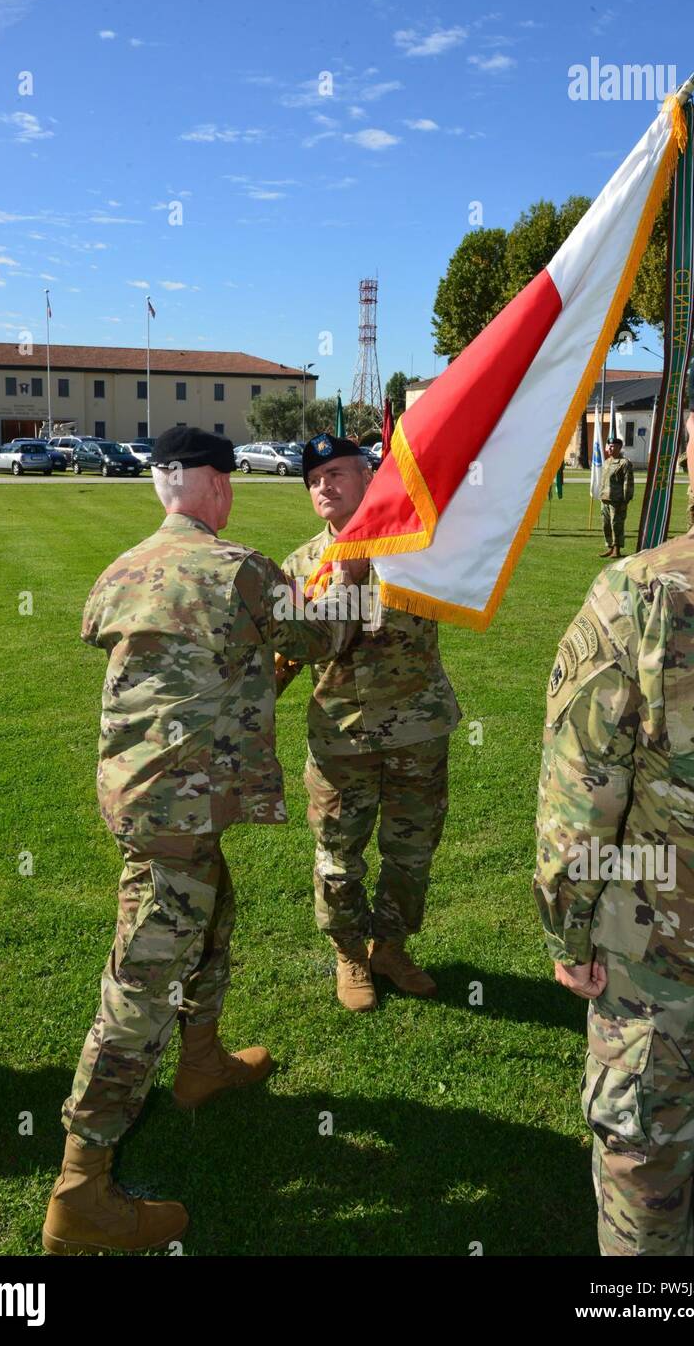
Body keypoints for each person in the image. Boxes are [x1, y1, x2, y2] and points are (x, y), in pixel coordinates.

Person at [42, 427, 365, 1255]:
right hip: (174, 814)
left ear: (162, 488)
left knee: (213, 909)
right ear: (217, 488)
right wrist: (355, 578)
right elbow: (320, 637)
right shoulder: (241, 570)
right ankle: (82, 1192)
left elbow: (119, 646)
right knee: (138, 989)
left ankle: (202, 1065)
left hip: (147, 800)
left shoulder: (119, 571)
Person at [533, 352, 694, 1257]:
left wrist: (568, 933)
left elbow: (581, 801)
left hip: (657, 963)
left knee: (645, 1193)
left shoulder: (638, 593)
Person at [276, 433, 460, 1012]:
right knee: (338, 857)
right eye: (313, 481)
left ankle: (392, 946)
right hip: (341, 737)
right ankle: (350, 954)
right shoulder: (301, 568)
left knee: (413, 853)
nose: (323, 487)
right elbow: (288, 657)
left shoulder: (418, 548)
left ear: (366, 478)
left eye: (335, 473)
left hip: (417, 729)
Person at [599, 436, 634, 558]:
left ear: (619, 447)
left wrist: (626, 499)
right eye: (609, 446)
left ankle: (617, 549)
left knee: (616, 524)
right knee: (606, 524)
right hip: (605, 498)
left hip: (617, 500)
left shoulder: (624, 463)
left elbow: (628, 482)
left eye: (613, 446)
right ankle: (609, 546)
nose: (609, 448)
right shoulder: (606, 462)